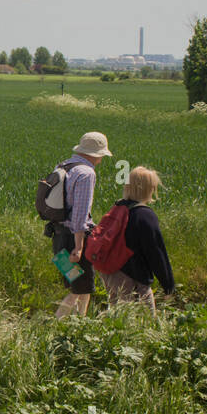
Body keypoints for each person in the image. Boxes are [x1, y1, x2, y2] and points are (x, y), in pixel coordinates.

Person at [47, 131, 112, 319]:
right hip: (73, 240)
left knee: (80, 287)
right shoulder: (86, 173)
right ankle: (55, 326)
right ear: (96, 154)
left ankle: (79, 326)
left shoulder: (63, 166)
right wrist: (79, 246)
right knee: (79, 289)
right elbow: (80, 215)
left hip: (57, 237)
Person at [98, 166, 174, 314]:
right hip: (134, 278)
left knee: (117, 319)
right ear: (149, 188)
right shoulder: (145, 216)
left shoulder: (118, 207)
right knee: (144, 322)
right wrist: (168, 285)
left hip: (112, 273)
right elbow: (156, 252)